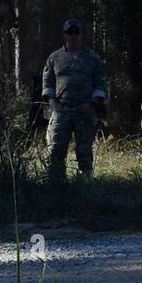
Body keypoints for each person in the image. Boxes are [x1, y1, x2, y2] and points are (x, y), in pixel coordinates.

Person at [40, 19, 108, 182]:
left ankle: (84, 182)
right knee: (56, 148)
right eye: (70, 32)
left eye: (77, 32)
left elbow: (101, 82)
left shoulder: (92, 58)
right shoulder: (55, 57)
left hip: (85, 110)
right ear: (64, 34)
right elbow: (47, 82)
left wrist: (92, 104)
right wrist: (53, 104)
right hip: (61, 110)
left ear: (81, 34)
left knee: (84, 150)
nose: (73, 35)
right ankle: (56, 182)